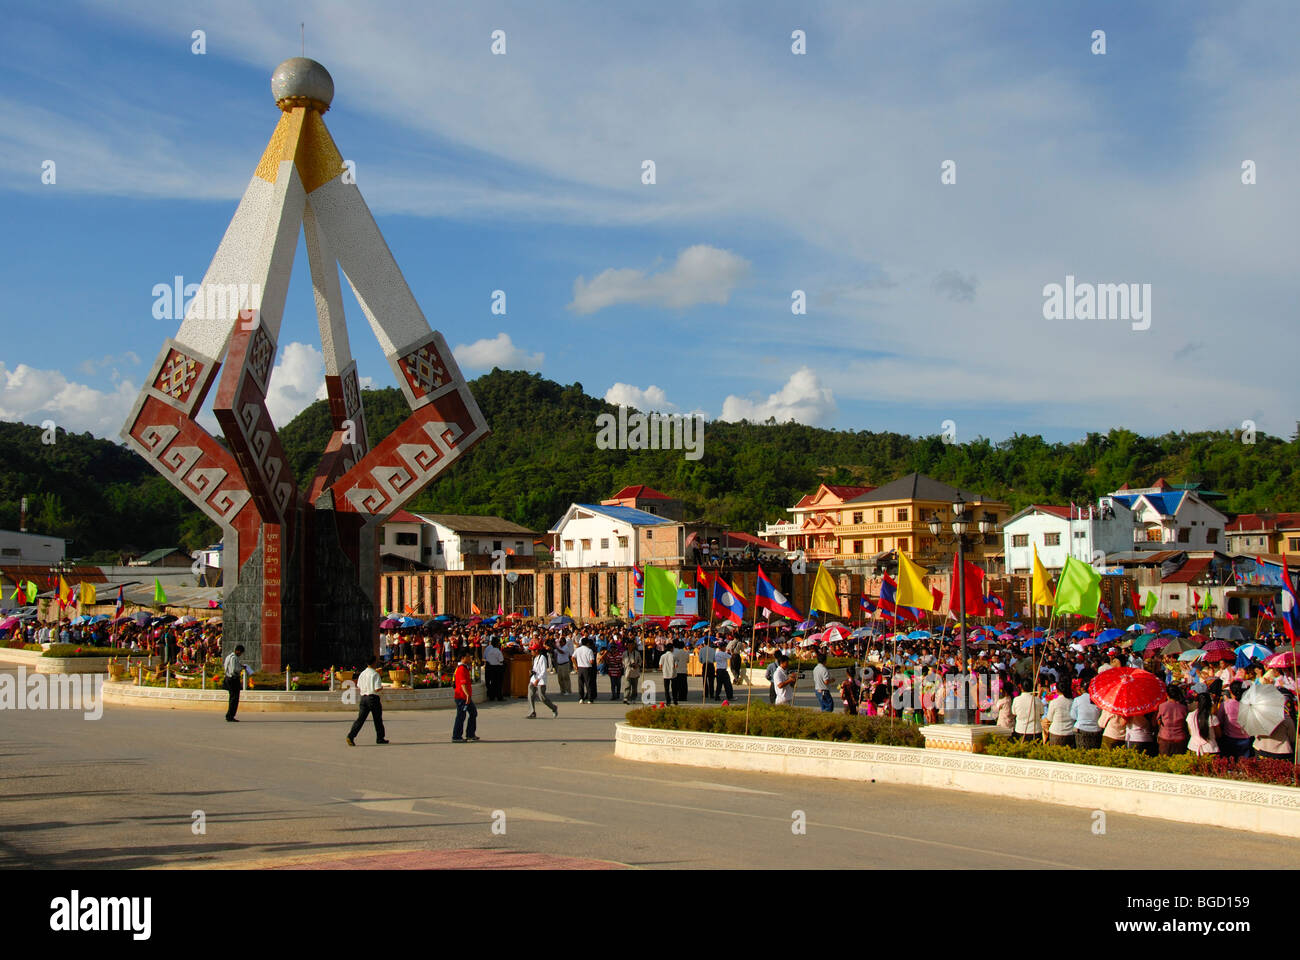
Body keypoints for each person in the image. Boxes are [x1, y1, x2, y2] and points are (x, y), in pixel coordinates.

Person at [346, 655, 388, 746]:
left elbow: (359, 686)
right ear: (374, 662)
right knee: (377, 719)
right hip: (373, 698)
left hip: (363, 698)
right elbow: (377, 688)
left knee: (360, 719)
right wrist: (382, 687)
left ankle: (351, 736)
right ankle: (380, 738)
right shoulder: (375, 674)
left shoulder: (362, 673)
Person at [1218, 681, 1253, 759]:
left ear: (1230, 691)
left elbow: (1220, 721)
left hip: (1229, 738)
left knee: (1230, 765)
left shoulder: (1225, 704)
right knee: (1244, 765)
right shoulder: (1250, 705)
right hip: (1246, 738)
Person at [452, 652, 479, 742]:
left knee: (473, 712)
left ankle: (470, 734)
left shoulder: (464, 668)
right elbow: (463, 684)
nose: (469, 658)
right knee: (461, 716)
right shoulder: (461, 669)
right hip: (462, 697)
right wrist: (467, 695)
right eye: (468, 656)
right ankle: (456, 736)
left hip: (465, 696)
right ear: (463, 658)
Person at [526, 643, 558, 718]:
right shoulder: (535, 658)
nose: (531, 652)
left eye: (532, 650)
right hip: (533, 679)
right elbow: (535, 668)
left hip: (540, 680)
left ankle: (553, 708)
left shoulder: (542, 658)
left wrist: (538, 679)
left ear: (536, 650)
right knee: (530, 695)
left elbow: (543, 671)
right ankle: (532, 712)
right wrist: (532, 671)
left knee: (542, 697)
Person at [1156, 685, 1189, 755]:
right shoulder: (1183, 708)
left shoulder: (1162, 706)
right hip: (1180, 739)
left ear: (1167, 694)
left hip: (1165, 738)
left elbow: (1158, 721)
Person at [1070, 680, 1103, 749]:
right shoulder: (1098, 700)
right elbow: (1100, 715)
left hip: (1081, 729)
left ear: (1082, 688)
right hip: (1095, 730)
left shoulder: (1077, 699)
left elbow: (1073, 715)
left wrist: (1081, 719)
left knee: (1081, 753)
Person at [222, 644, 250, 722]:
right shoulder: (234, 658)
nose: (240, 654)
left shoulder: (228, 657)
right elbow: (234, 669)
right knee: (234, 698)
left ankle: (229, 715)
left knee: (232, 697)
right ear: (238, 651)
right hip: (233, 679)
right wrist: (241, 668)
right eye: (241, 653)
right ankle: (230, 715)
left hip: (228, 678)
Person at [1186, 691, 1219, 756]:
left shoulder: (1190, 716)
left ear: (1197, 703)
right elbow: (1218, 734)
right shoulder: (1213, 718)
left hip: (1193, 747)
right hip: (1210, 749)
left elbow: (1190, 732)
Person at [573, 637, 597, 704]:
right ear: (587, 643)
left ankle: (581, 698)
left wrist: (576, 665)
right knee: (588, 684)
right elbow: (592, 661)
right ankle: (590, 699)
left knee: (581, 684)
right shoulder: (589, 650)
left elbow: (572, 657)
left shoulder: (578, 650)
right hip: (587, 668)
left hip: (580, 667)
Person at [623, 635, 644, 705]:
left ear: (634, 645)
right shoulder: (625, 653)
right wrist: (627, 665)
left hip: (635, 672)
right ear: (627, 645)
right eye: (629, 645)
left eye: (632, 645)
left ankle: (633, 698)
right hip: (628, 671)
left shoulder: (637, 653)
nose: (630, 646)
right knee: (627, 685)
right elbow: (622, 662)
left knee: (634, 687)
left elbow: (640, 662)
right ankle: (626, 697)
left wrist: (637, 665)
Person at [659, 640, 677, 706]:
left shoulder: (663, 656)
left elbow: (660, 665)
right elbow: (676, 665)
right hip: (673, 674)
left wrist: (663, 669)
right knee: (674, 688)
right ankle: (675, 700)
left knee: (666, 689)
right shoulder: (674, 656)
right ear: (672, 649)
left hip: (665, 674)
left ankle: (668, 701)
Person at [671, 639, 689, 704]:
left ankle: (678, 696)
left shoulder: (676, 653)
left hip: (677, 670)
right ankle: (684, 697)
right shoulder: (686, 652)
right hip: (684, 670)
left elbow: (674, 660)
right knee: (684, 685)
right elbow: (687, 661)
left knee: (677, 685)